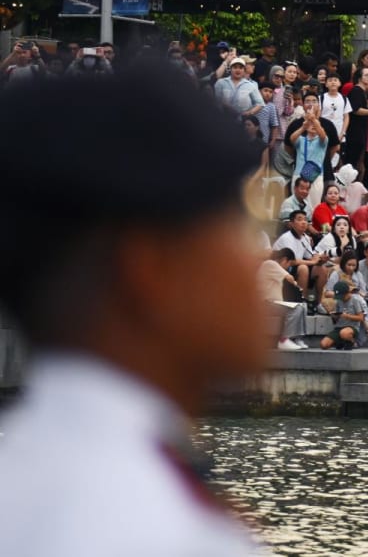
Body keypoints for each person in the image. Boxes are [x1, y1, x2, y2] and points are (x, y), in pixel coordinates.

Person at [0, 70, 264, 554]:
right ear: (151, 268)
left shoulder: (30, 471)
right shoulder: (149, 526)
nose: (256, 261)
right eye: (238, 227)